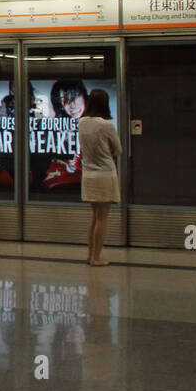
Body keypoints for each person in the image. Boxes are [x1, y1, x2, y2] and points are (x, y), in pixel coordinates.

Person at [78, 87, 121, 266]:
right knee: (102, 217)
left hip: (88, 174)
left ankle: (90, 255)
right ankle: (96, 257)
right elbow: (118, 149)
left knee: (94, 216)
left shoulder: (82, 122)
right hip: (104, 174)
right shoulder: (106, 125)